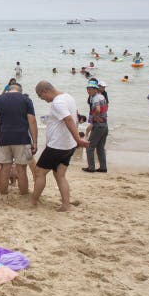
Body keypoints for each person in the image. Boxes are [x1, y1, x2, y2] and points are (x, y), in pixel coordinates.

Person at [32, 81, 89, 212]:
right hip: (68, 145)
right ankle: (66, 204)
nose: (43, 100)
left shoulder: (57, 103)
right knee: (60, 175)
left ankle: (33, 202)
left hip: (57, 145)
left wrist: (78, 139)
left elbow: (69, 119)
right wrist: (75, 141)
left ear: (44, 91)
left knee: (39, 172)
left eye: (41, 97)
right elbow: (75, 117)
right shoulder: (68, 97)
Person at [0, 82, 37, 195]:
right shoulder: (26, 100)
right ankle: (24, 194)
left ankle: (4, 194)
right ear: (20, 90)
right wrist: (35, 142)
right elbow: (32, 121)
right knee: (21, 169)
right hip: (21, 139)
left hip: (4, 138)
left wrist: (0, 119)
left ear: (9, 89)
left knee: (4, 168)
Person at [82, 80, 108, 173]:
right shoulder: (102, 96)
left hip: (98, 125)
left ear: (95, 89)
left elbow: (97, 109)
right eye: (87, 89)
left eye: (90, 89)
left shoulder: (95, 98)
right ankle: (103, 167)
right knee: (100, 148)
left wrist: (96, 117)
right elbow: (106, 108)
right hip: (105, 124)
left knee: (89, 146)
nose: (88, 91)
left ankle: (91, 167)